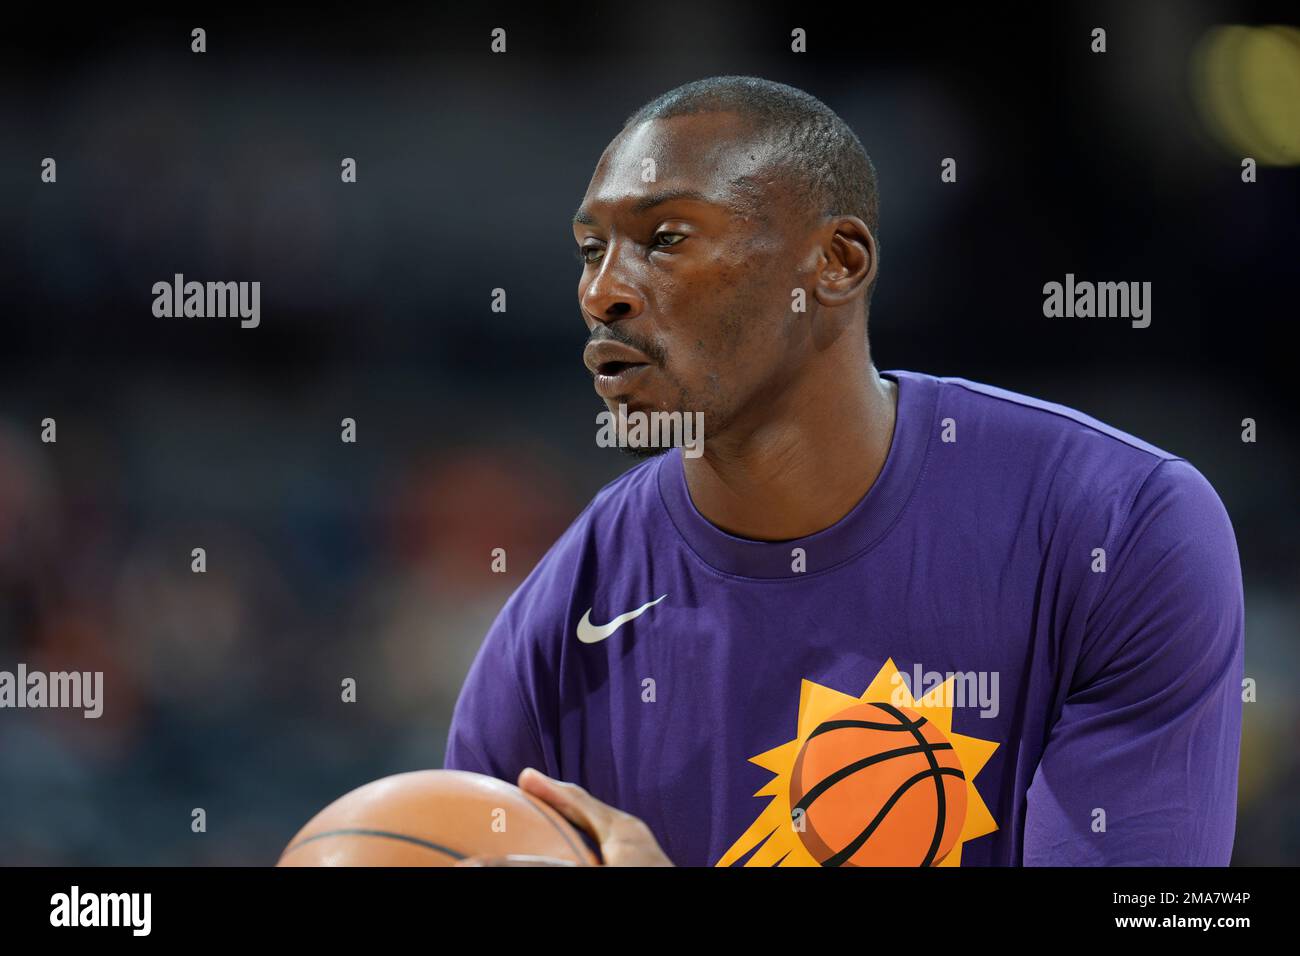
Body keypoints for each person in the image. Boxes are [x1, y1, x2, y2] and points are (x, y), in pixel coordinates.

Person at [445, 76, 1244, 867]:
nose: (602, 291)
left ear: (836, 262)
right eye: (591, 250)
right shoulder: (564, 615)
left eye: (665, 238)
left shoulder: (1119, 526)